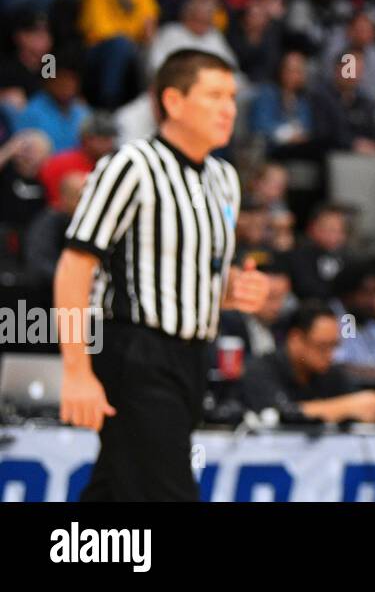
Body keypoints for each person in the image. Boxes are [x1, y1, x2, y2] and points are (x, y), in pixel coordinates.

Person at [54, 49, 270, 501]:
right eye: (214, 95)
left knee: (118, 487)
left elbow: (196, 273)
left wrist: (234, 290)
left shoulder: (224, 178)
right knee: (167, 491)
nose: (229, 107)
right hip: (134, 352)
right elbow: (75, 266)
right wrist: (75, 370)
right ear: (173, 101)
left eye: (231, 96)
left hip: (193, 355)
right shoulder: (130, 166)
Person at [239, 300, 375, 424]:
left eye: (334, 347)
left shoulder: (332, 375)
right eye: (322, 346)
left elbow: (359, 407)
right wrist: (349, 406)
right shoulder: (260, 369)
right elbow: (277, 414)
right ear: (296, 339)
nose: (329, 355)